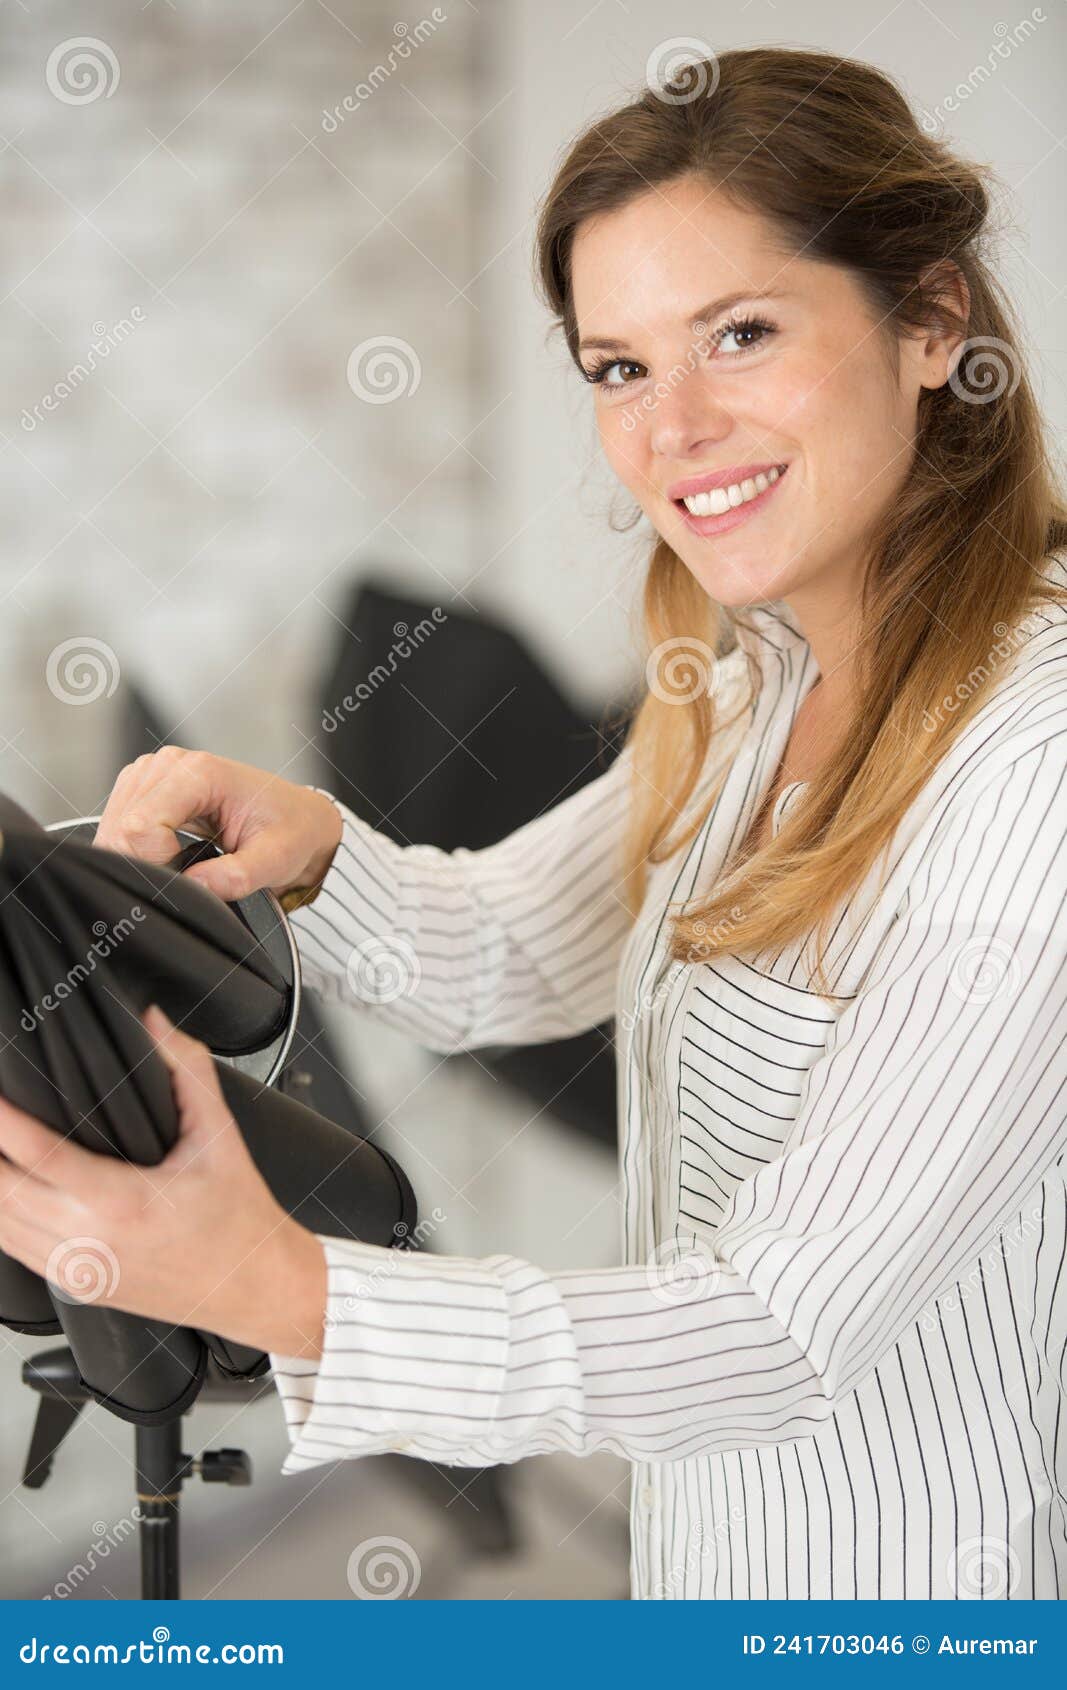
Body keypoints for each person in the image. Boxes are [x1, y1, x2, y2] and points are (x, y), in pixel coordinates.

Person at [1, 44, 1066, 1601]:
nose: (673, 427)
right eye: (622, 366)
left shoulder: (1030, 765)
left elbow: (773, 1325)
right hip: (714, 1572)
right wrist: (319, 855)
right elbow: (507, 954)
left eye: (742, 334)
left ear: (929, 319)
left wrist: (290, 1287)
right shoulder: (760, 673)